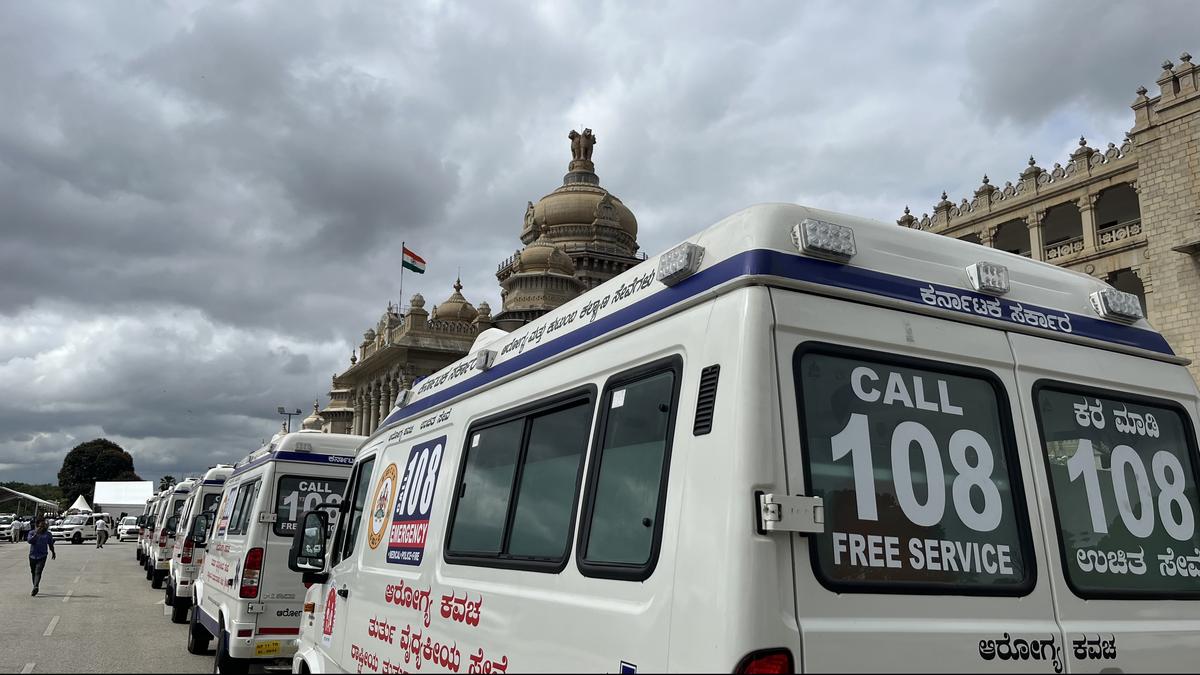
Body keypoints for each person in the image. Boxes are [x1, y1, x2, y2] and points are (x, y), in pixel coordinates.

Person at [27, 518, 55, 596]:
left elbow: (50, 544)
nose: (43, 527)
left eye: (44, 525)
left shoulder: (48, 534)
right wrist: (36, 534)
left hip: (42, 556)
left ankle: (36, 586)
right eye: (41, 525)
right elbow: (29, 541)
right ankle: (35, 586)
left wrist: (53, 552)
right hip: (32, 555)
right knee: (33, 572)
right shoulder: (32, 532)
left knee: (38, 571)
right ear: (37, 525)